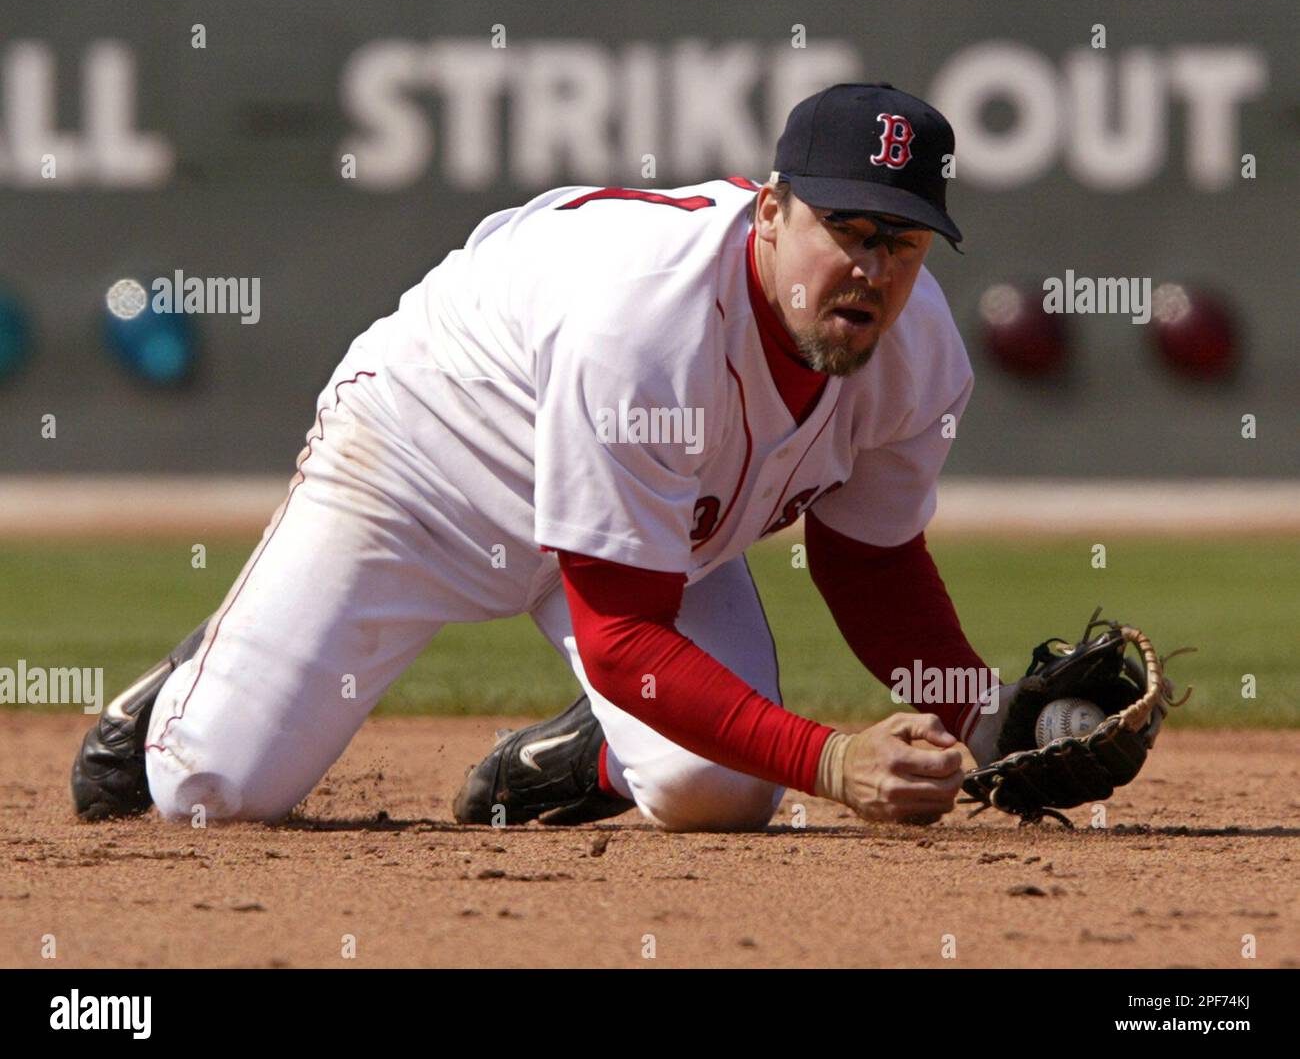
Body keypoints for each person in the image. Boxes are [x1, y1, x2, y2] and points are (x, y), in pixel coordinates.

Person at [72, 82, 1016, 833]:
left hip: (639, 532)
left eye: (904, 241)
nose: (874, 268)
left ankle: (581, 755)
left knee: (718, 792)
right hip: (425, 469)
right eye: (846, 230)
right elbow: (621, 636)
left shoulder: (916, 349)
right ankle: (198, 676)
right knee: (211, 789)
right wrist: (833, 761)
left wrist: (994, 719)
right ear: (769, 211)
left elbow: (870, 562)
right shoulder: (646, 319)